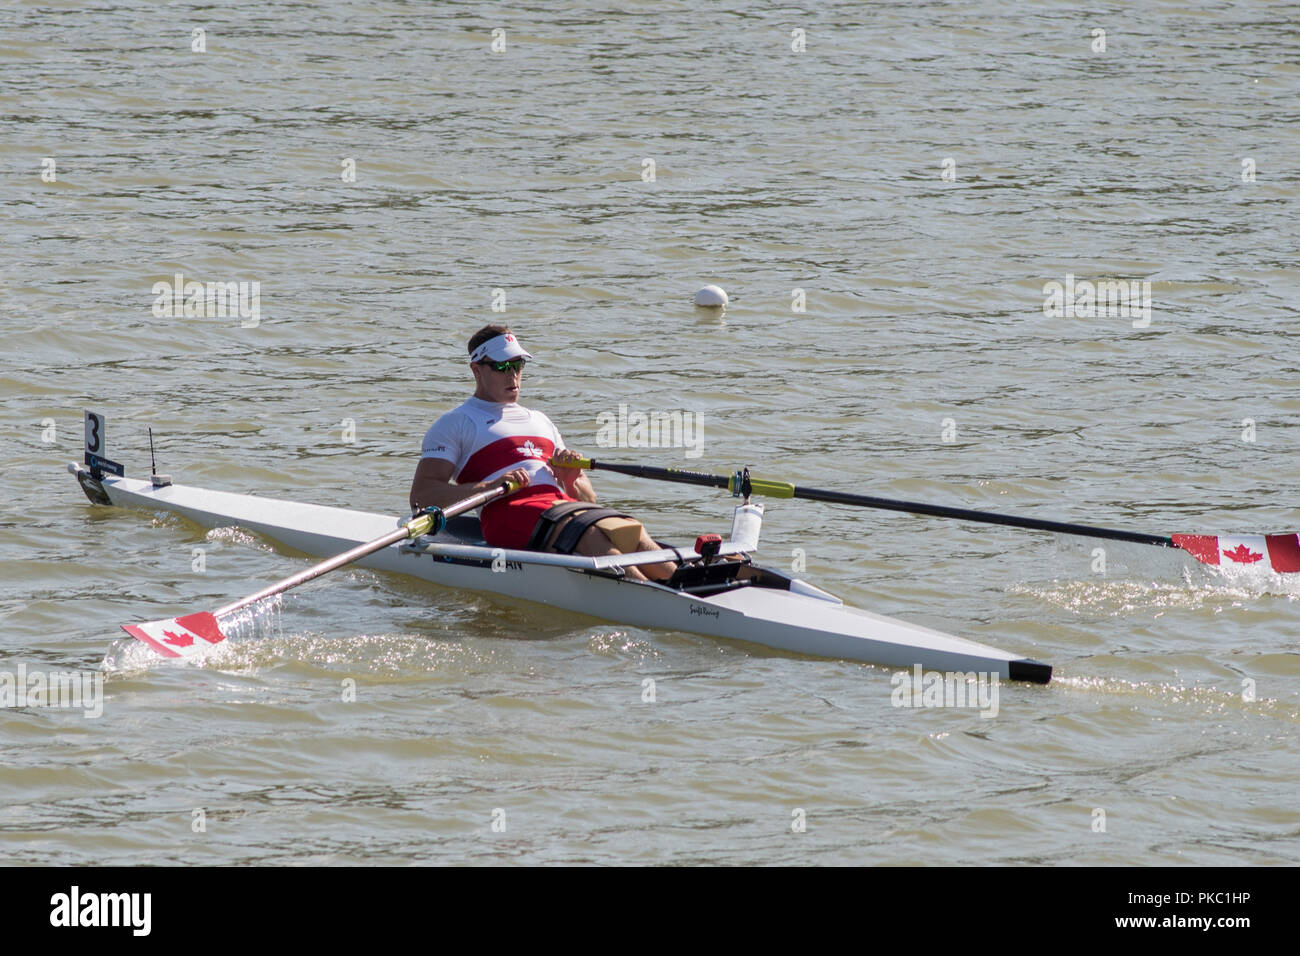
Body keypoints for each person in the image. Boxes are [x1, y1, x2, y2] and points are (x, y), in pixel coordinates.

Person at [409, 325, 676, 582]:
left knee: (629, 530)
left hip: (561, 507)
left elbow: (589, 499)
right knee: (591, 534)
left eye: (518, 365)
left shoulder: (541, 420)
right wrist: (488, 487)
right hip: (508, 512)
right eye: (502, 366)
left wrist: (570, 478)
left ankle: (678, 584)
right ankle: (654, 597)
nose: (512, 374)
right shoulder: (456, 423)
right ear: (476, 369)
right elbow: (422, 495)